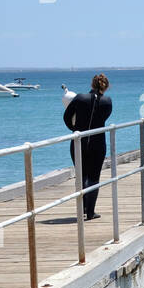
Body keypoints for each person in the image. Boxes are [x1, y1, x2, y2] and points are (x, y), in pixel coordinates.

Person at [62, 73, 113, 220]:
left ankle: (81, 209)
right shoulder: (108, 101)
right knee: (94, 178)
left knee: (81, 176)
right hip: (98, 143)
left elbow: (66, 116)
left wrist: (74, 129)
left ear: (92, 84)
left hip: (79, 141)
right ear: (106, 86)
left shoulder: (79, 98)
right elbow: (104, 117)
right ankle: (90, 212)